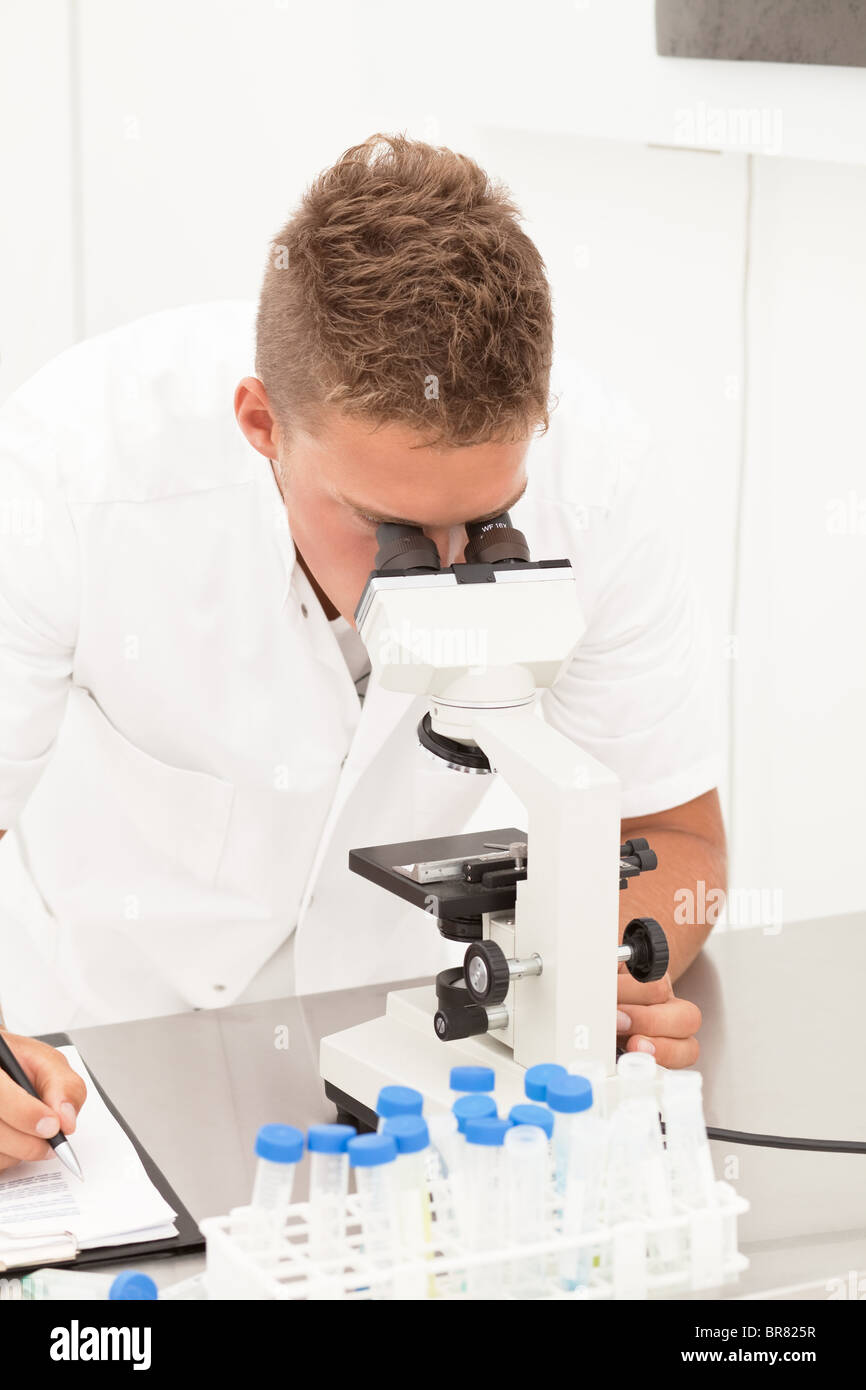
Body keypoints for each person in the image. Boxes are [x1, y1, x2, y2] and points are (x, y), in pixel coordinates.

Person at [0, 133, 724, 1172]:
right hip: (113, 1056)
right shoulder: (70, 474)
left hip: (438, 1064)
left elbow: (675, 836)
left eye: (486, 523)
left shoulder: (598, 482)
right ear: (262, 425)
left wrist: (597, 973)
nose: (436, 575)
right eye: (384, 526)